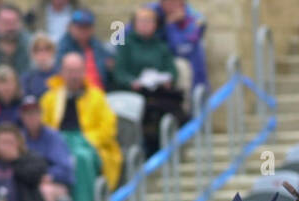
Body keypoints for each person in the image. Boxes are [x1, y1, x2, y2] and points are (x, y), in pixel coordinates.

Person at [40, 51, 121, 201]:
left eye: (77, 71)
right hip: (59, 143)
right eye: (70, 71)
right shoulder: (50, 99)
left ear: (84, 72)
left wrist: (87, 139)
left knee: (80, 157)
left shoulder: (97, 97)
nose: (74, 76)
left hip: (91, 144)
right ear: (62, 72)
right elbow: (45, 127)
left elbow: (108, 128)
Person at [111, 6, 185, 156]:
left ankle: (172, 148)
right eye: (142, 21)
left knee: (176, 111)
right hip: (135, 93)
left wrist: (167, 79)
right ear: (135, 24)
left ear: (155, 25)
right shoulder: (125, 45)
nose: (145, 25)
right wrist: (131, 82)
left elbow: (172, 70)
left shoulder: (160, 46)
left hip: (159, 92)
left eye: (149, 21)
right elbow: (119, 72)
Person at [155, 0, 206, 94]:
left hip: (192, 70)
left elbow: (180, 47)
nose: (171, 6)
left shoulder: (195, 18)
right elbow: (130, 30)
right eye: (167, 3)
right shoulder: (154, 11)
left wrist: (170, 25)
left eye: (175, 2)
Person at [53, 8, 113, 87]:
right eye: (80, 27)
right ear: (71, 27)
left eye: (87, 27)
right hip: (78, 93)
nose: (83, 31)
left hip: (101, 93)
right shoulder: (63, 47)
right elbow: (59, 72)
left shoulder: (97, 45)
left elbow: (110, 62)